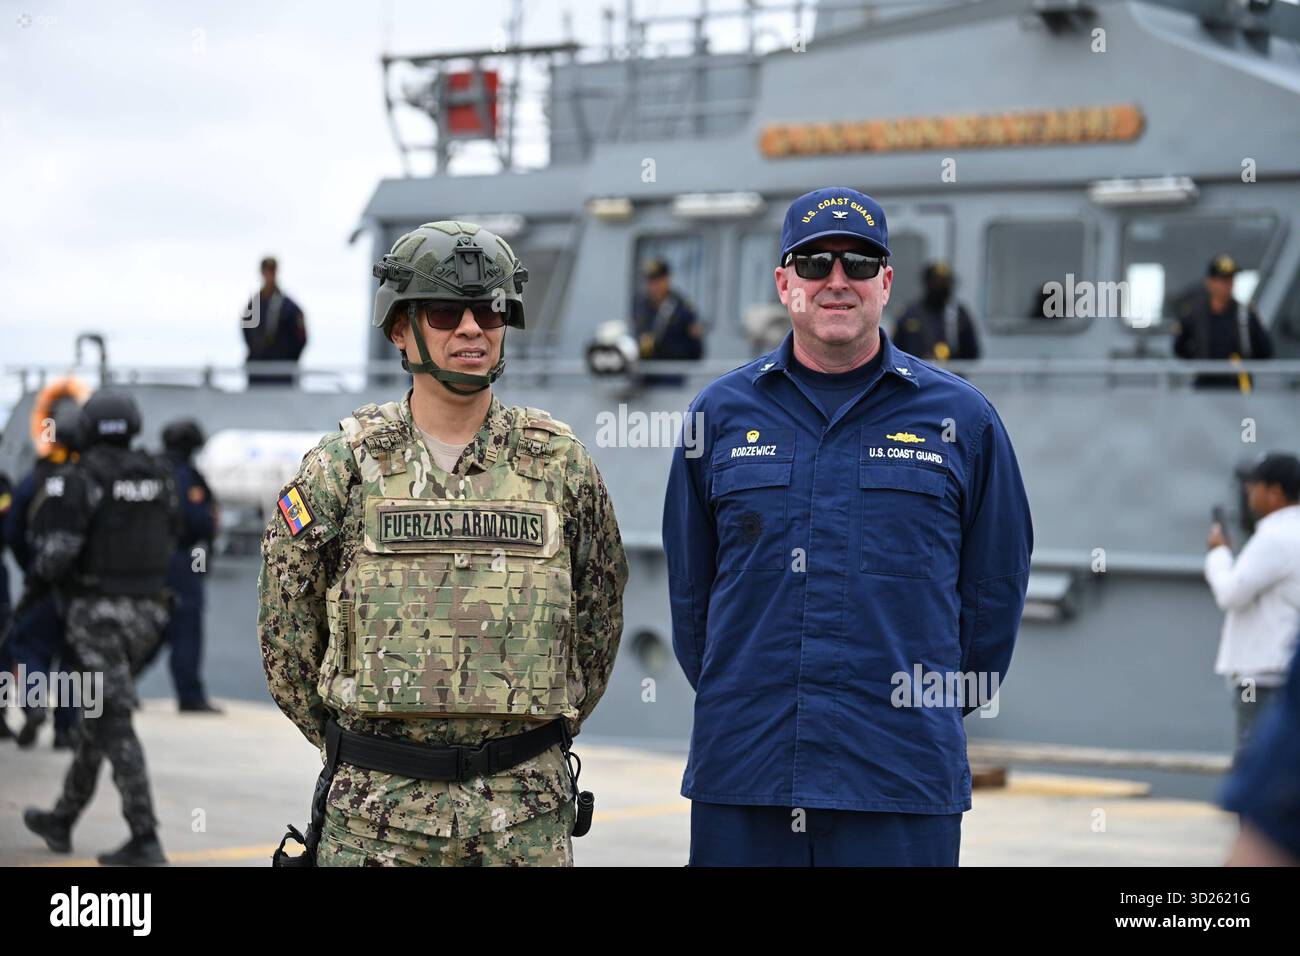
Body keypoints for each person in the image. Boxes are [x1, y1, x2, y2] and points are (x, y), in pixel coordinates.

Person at [663, 187, 1033, 867]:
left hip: (897, 781)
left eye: (860, 265)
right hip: (748, 775)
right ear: (784, 282)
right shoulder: (716, 417)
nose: (837, 282)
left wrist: (923, 714)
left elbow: (992, 598)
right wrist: (749, 693)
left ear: (886, 282)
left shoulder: (964, 422)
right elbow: (693, 598)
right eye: (814, 264)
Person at [258, 220, 628, 867]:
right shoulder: (343, 467)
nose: (470, 329)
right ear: (400, 330)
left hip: (525, 814)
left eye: (488, 311)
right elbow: (286, 637)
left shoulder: (561, 466)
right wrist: (364, 749)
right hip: (376, 818)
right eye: (443, 312)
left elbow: (598, 623)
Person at [22, 390, 180, 865]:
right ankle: (62, 818)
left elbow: (56, 557)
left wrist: (36, 586)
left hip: (98, 618)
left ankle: (145, 838)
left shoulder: (81, 479)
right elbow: (176, 535)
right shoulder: (159, 475)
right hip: (150, 616)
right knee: (99, 719)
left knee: (113, 721)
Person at [4, 385, 86, 750]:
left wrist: (32, 568)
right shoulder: (86, 481)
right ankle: (66, 730)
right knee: (72, 656)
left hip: (40, 583)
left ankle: (35, 705)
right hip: (78, 586)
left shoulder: (31, 481)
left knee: (33, 647)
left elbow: (13, 532)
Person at [1205, 452, 1300, 756]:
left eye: (1254, 486)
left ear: (1274, 493)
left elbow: (1231, 593)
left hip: (1265, 678)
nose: (1248, 493)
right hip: (1286, 672)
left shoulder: (1275, 536)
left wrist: (1219, 555)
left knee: (1254, 766)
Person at [156, 419, 221, 713]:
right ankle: (190, 696)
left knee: (149, 624)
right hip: (181, 560)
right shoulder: (187, 476)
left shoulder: (151, 469)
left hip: (145, 560)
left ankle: (120, 684)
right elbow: (200, 520)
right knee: (186, 625)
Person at [1221, 637, 1300, 866]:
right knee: (1248, 739)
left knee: (1253, 743)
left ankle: (1254, 828)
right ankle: (1249, 826)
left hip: (1270, 675)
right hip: (1251, 677)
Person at [1172, 255, 1273, 389]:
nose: (1229, 285)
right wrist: (1199, 360)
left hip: (1238, 387)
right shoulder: (1194, 316)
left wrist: (1244, 363)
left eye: (1231, 279)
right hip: (1204, 386)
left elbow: (1265, 351)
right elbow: (1179, 348)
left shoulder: (1245, 315)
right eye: (1223, 280)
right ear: (1210, 283)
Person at [631, 258, 704, 386]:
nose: (653, 286)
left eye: (657, 281)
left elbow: (696, 349)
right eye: (650, 282)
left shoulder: (682, 308)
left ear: (666, 280)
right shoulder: (641, 306)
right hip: (644, 375)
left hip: (672, 375)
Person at [892, 261, 981, 361]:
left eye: (944, 284)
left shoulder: (959, 314)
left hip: (950, 374)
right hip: (915, 373)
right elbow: (895, 350)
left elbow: (972, 352)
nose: (940, 288)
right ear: (927, 283)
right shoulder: (909, 314)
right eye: (936, 283)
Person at [243, 256, 307, 386]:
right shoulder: (254, 306)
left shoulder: (289, 307)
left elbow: (301, 338)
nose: (269, 275)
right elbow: (247, 334)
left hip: (283, 373)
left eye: (271, 272)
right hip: (258, 373)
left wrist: (287, 358)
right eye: (266, 272)